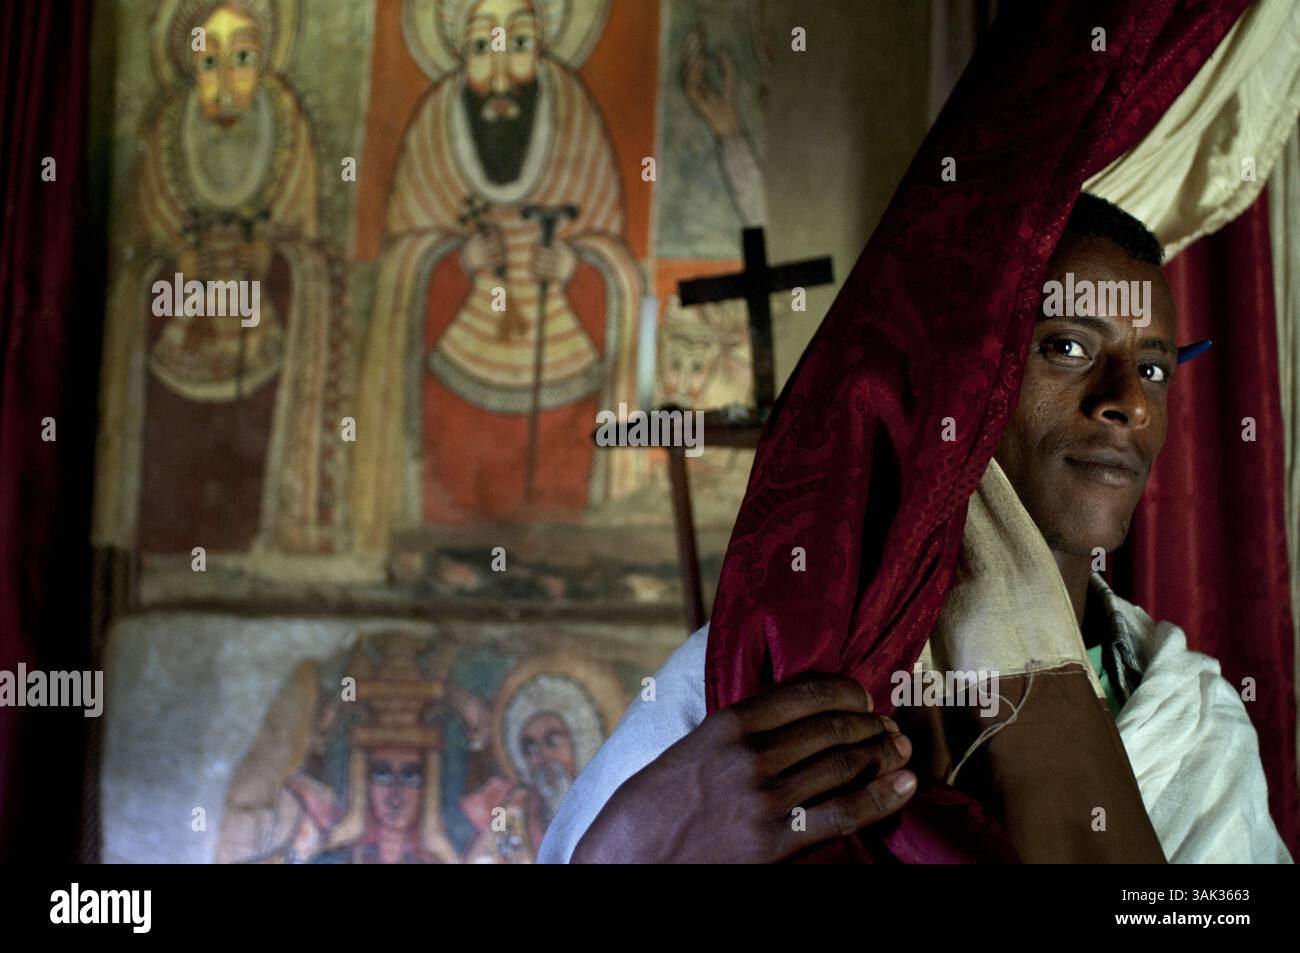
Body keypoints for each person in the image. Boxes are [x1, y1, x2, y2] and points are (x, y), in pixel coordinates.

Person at [537, 195, 1292, 864]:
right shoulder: (764, 672)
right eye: (1066, 346)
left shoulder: (1185, 716)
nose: (1126, 400)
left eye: (1154, 368)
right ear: (962, 375)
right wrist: (632, 843)